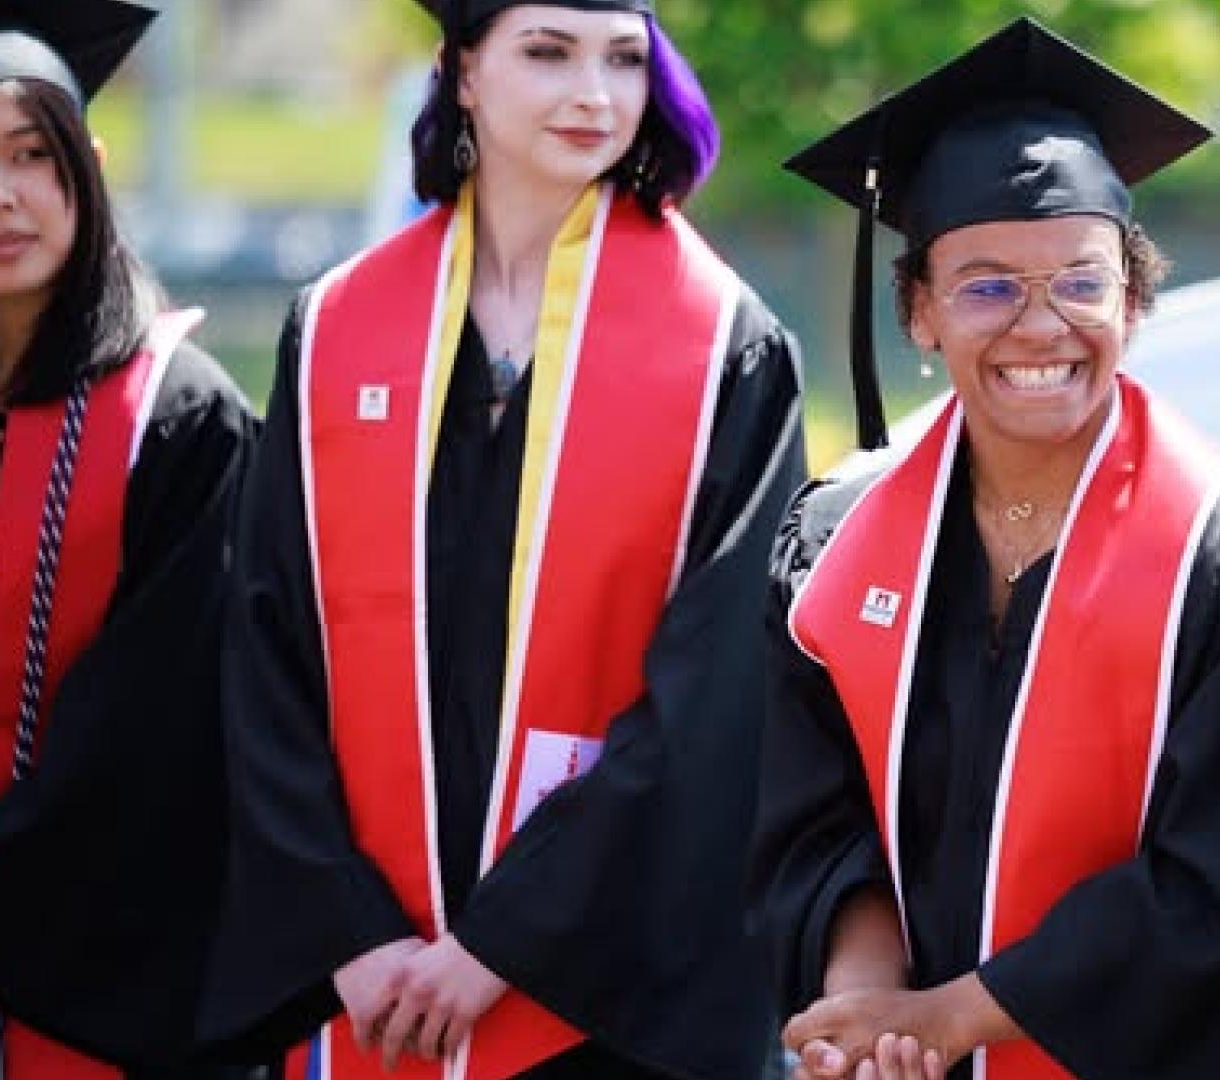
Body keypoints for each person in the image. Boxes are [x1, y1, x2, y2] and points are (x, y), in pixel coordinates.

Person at [202, 1, 805, 1077]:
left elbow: (718, 692)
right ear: (463, 72)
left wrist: (503, 945)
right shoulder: (339, 326)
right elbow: (265, 645)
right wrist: (347, 929)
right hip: (366, 985)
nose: (595, 93)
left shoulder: (724, 347)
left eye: (625, 59)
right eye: (548, 52)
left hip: (604, 1004)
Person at [751, 18, 1220, 1080]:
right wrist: (867, 1001)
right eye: (987, 286)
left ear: (1131, 297)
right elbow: (808, 823)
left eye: (1080, 282)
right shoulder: (829, 559)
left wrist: (950, 1020)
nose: (1041, 326)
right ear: (921, 313)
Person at [0, 2, 259, 1078]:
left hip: (101, 1000)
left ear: (86, 167)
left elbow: (162, 735)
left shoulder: (180, 420)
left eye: (30, 156)